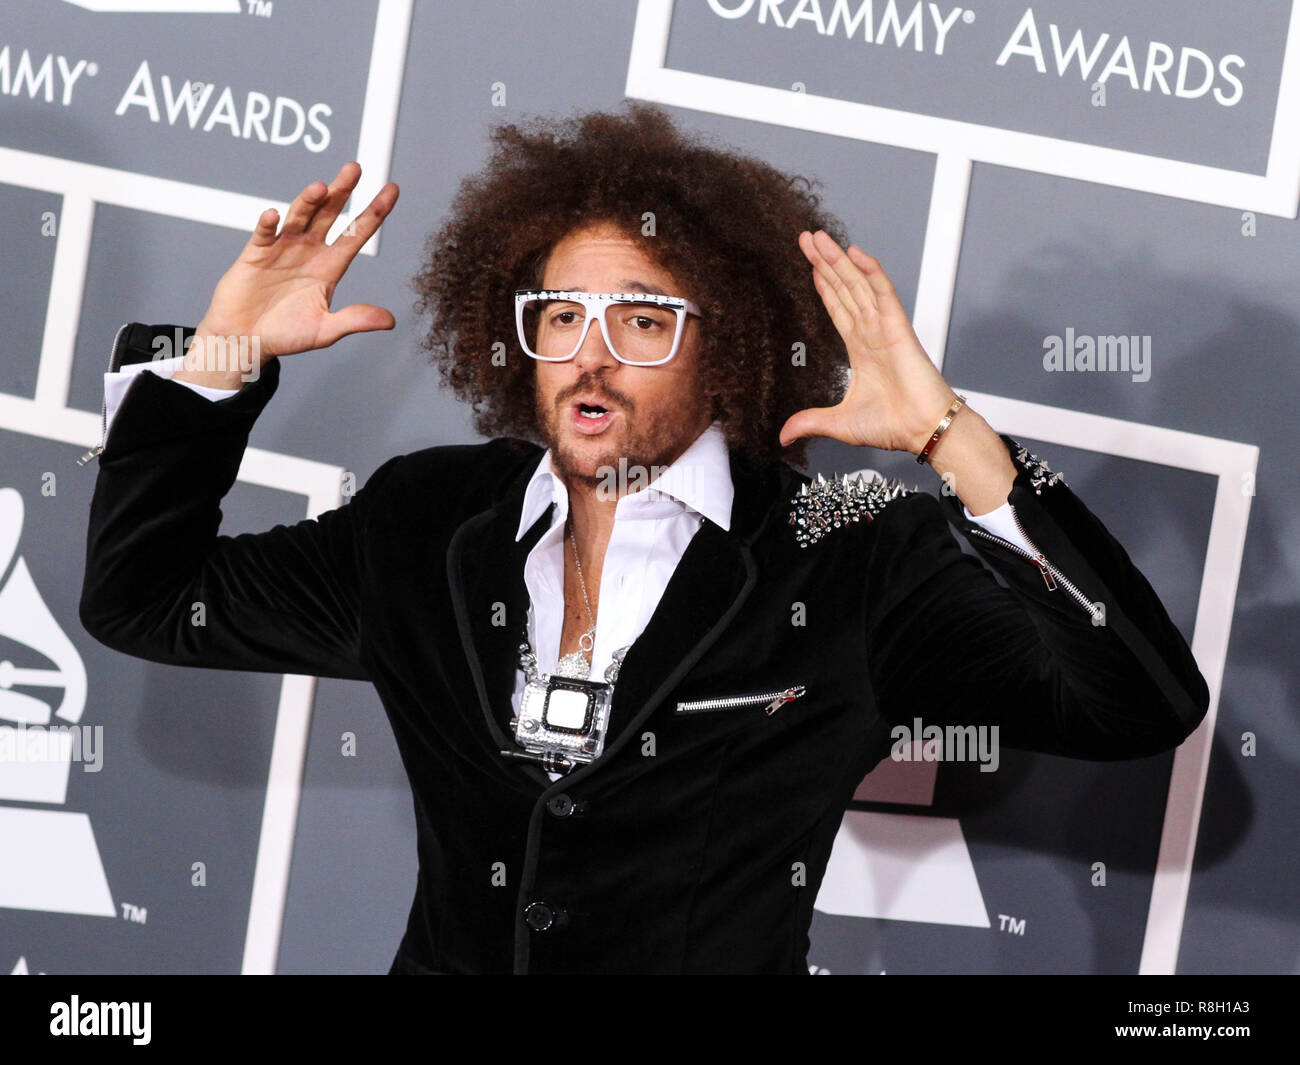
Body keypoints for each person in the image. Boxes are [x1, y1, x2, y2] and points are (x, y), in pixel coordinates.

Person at [79, 103, 1209, 975]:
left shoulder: (845, 552)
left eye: (643, 317)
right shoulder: (428, 521)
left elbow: (1139, 706)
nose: (591, 354)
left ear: (730, 346)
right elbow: (144, 597)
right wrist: (221, 360)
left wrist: (952, 441)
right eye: (561, 315)